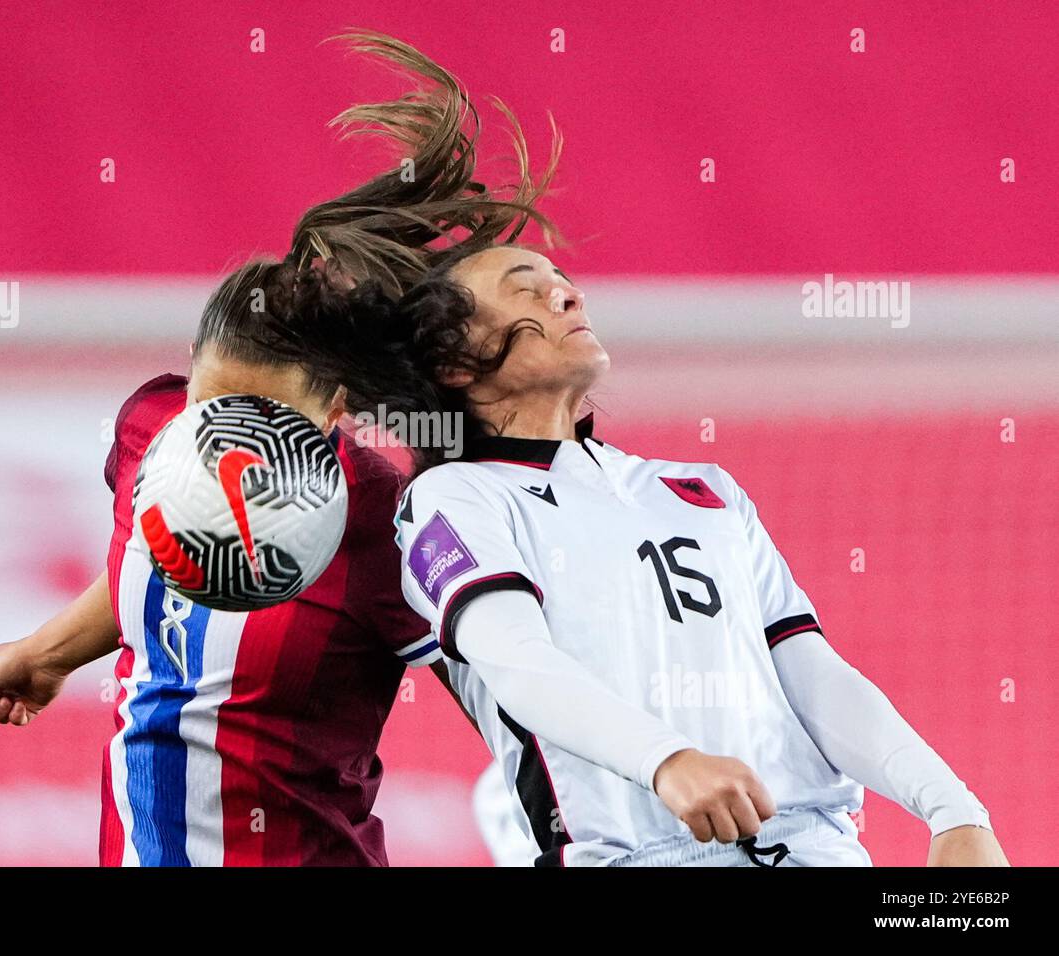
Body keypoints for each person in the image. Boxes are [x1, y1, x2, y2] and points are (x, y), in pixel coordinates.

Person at [0, 32, 552, 866]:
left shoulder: (387, 521)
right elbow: (157, 555)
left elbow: (512, 697)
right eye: (214, 405)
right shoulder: (150, 434)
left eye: (265, 415)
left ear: (337, 406)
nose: (224, 443)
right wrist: (45, 654)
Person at [260, 246, 1011, 867]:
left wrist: (950, 807)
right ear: (455, 364)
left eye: (562, 281)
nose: (565, 294)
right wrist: (668, 760)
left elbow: (810, 672)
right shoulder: (456, 501)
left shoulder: (702, 490)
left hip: (820, 850)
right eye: (529, 289)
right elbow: (519, 663)